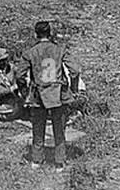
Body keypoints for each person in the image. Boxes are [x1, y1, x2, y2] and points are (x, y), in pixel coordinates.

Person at [19, 20, 80, 170]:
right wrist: (73, 88)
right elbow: (75, 70)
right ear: (50, 33)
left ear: (35, 34)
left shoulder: (30, 52)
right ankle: (59, 161)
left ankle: (37, 160)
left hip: (38, 94)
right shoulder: (60, 49)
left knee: (38, 128)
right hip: (58, 94)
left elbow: (20, 75)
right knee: (59, 128)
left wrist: (25, 92)